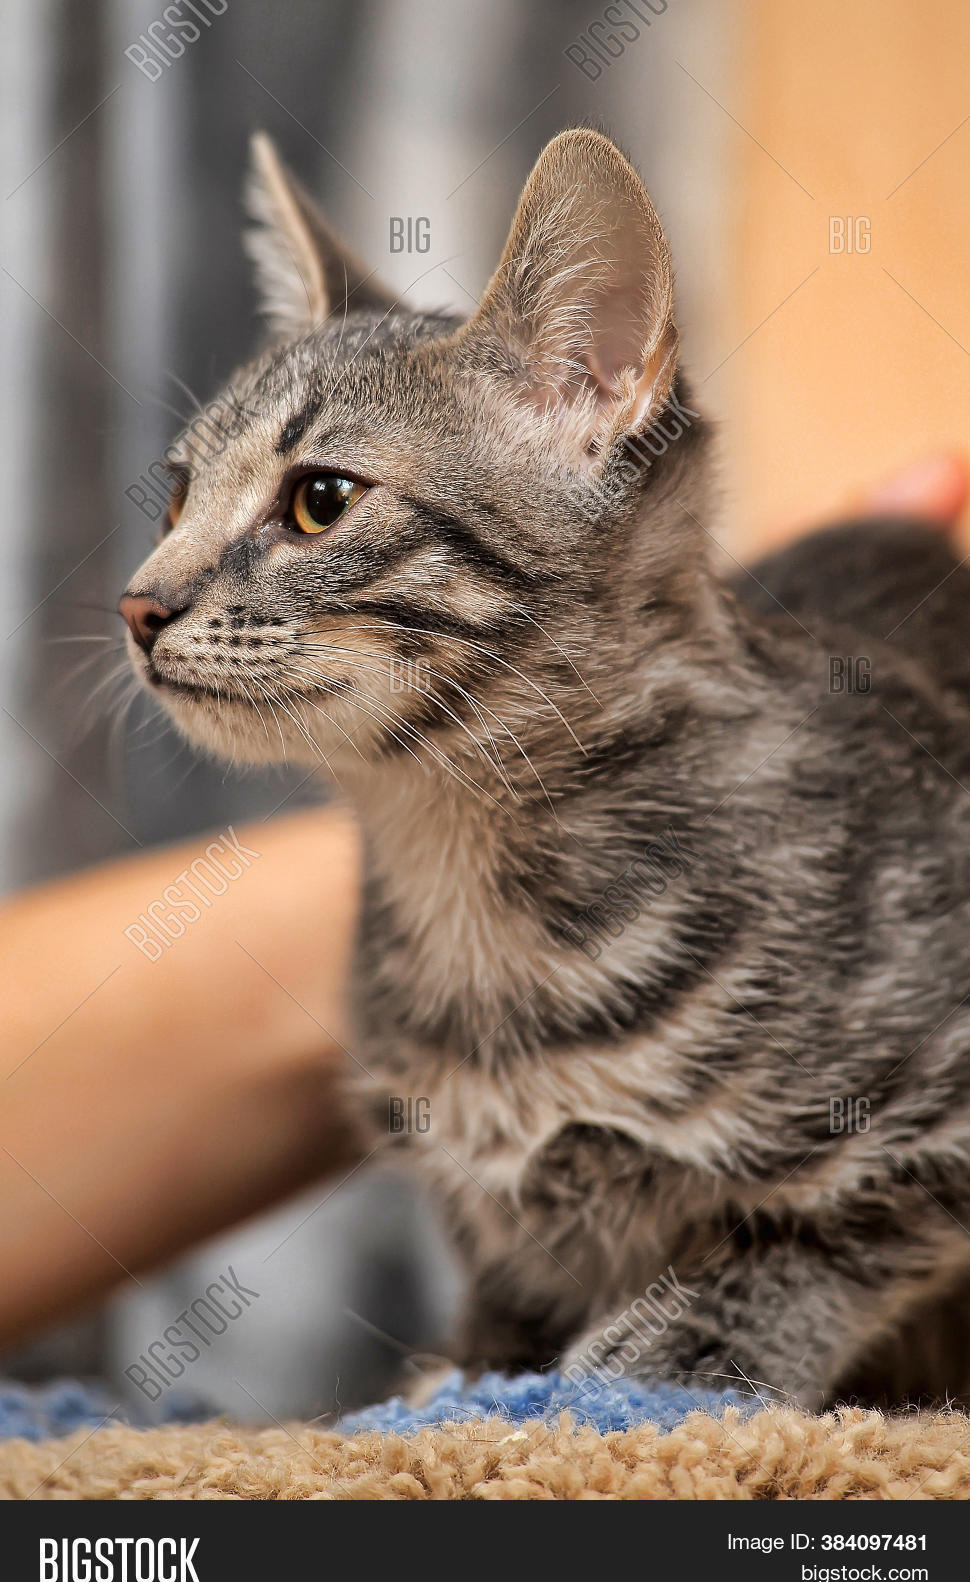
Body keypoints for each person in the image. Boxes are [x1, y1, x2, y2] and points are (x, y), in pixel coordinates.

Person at [0, 454, 965, 1350]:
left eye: (316, 504)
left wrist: (737, 1333)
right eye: (181, 501)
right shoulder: (387, 972)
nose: (149, 591)